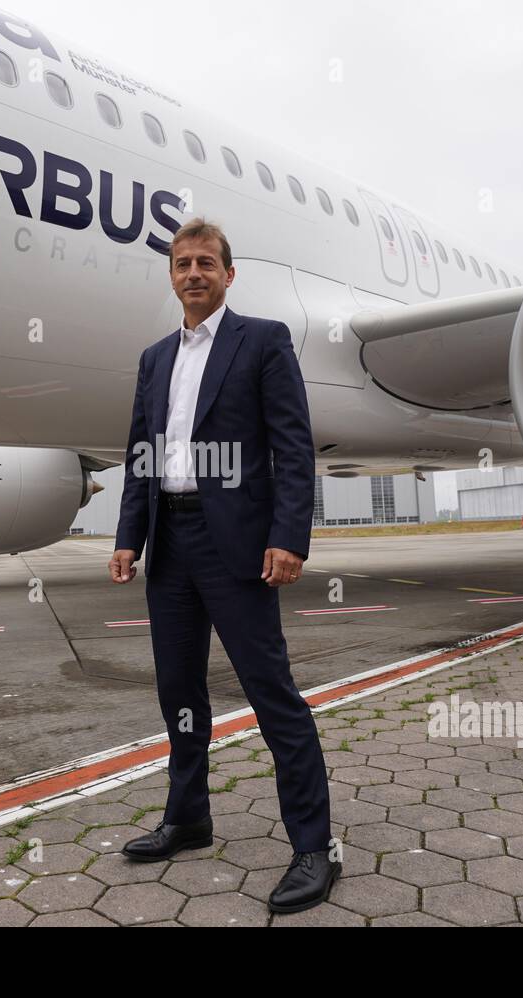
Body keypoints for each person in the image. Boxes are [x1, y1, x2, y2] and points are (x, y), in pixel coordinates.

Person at [107, 217, 338, 914]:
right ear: (171, 275)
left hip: (235, 544)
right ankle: (188, 817)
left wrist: (289, 534)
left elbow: (293, 446)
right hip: (170, 545)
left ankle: (314, 848)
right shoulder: (153, 359)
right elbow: (140, 454)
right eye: (183, 263)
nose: (194, 273)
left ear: (228, 275)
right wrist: (128, 536)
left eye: (207, 262)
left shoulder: (262, 341)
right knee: (178, 692)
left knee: (272, 695)